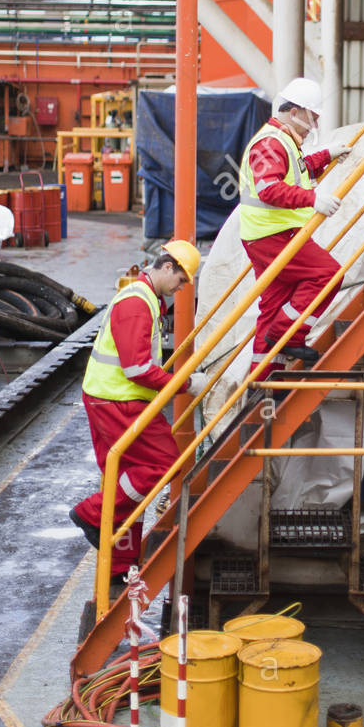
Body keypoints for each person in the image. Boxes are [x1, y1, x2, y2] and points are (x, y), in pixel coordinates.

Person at [69, 239, 203, 579]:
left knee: (128, 480)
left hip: (112, 397)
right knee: (163, 463)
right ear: (167, 267)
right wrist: (186, 384)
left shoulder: (146, 299)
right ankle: (92, 514)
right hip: (118, 400)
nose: (182, 287)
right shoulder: (137, 303)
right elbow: (137, 369)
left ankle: (119, 564)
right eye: (182, 279)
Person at [239, 77, 350, 369]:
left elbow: (295, 170)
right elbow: (269, 189)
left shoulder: (282, 141)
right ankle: (288, 334)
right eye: (311, 116)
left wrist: (326, 156)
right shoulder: (270, 143)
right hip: (274, 235)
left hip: (265, 235)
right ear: (295, 111)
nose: (312, 124)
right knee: (327, 276)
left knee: (273, 305)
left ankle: (261, 383)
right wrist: (313, 200)